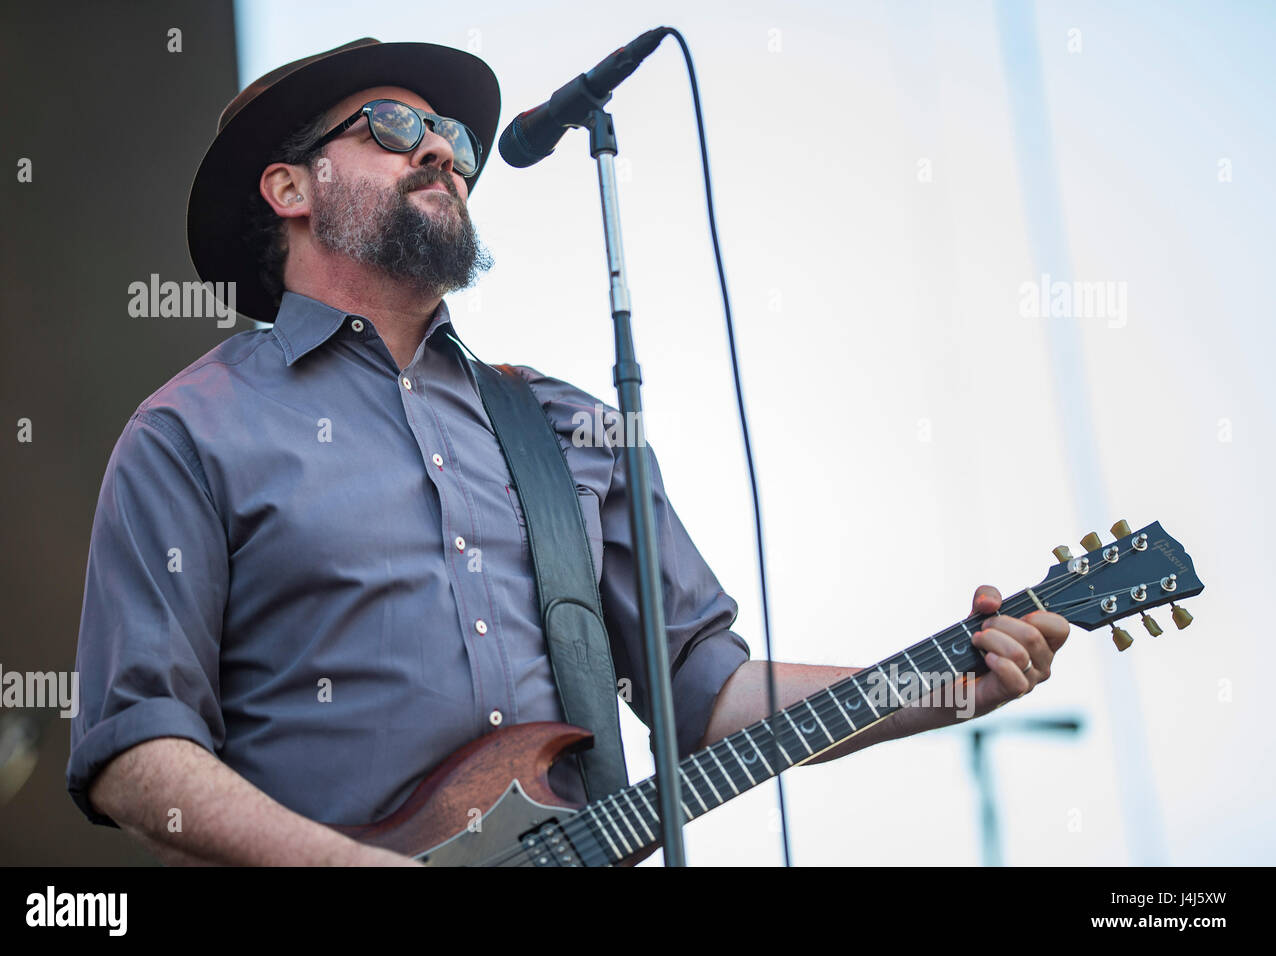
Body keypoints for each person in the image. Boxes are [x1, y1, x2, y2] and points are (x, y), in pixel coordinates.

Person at [67, 38, 1069, 866]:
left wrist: (944, 683)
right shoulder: (191, 431)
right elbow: (135, 751)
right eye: (393, 127)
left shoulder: (566, 425)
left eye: (451, 137)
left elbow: (705, 692)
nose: (443, 153)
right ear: (288, 186)